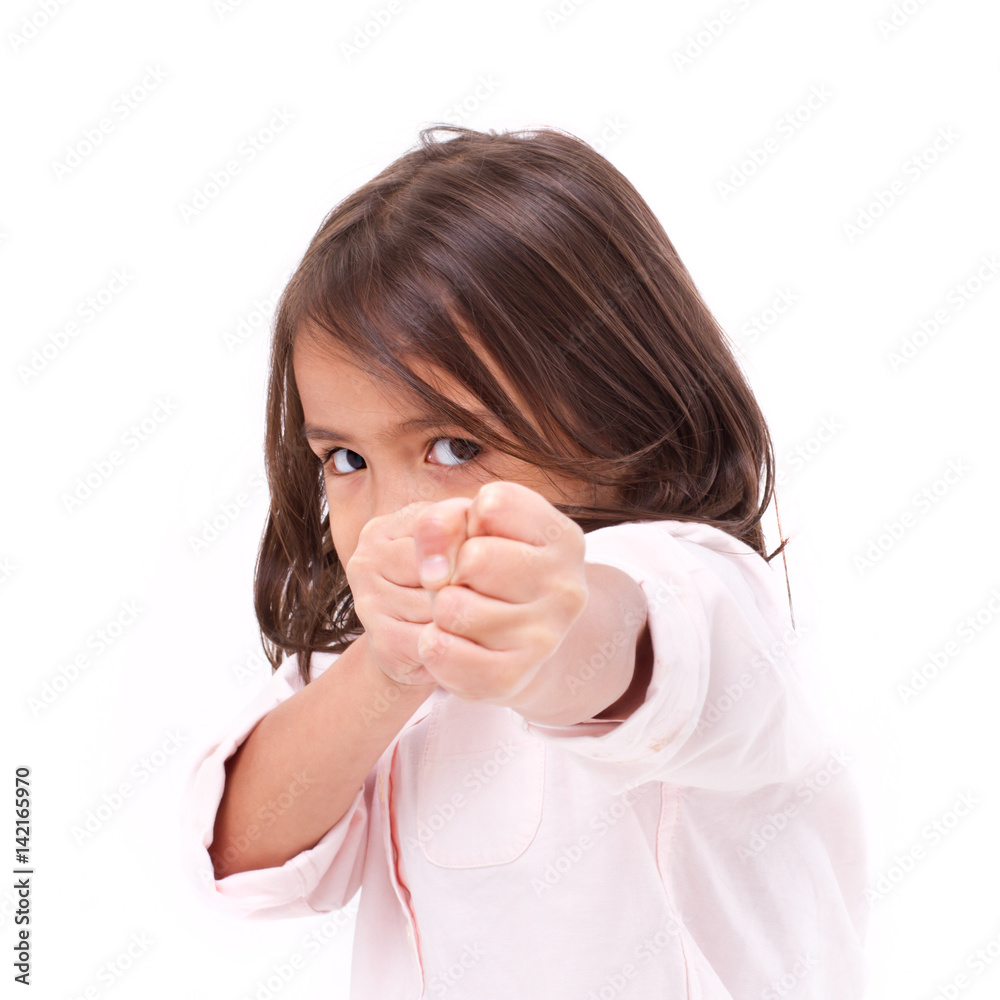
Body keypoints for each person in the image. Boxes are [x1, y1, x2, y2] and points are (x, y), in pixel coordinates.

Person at [179, 123, 869, 999]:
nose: (395, 517)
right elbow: (243, 850)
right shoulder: (380, 666)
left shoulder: (698, 585)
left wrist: (542, 626)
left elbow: (617, 643)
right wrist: (386, 670)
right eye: (346, 461)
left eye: (455, 446)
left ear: (620, 419)